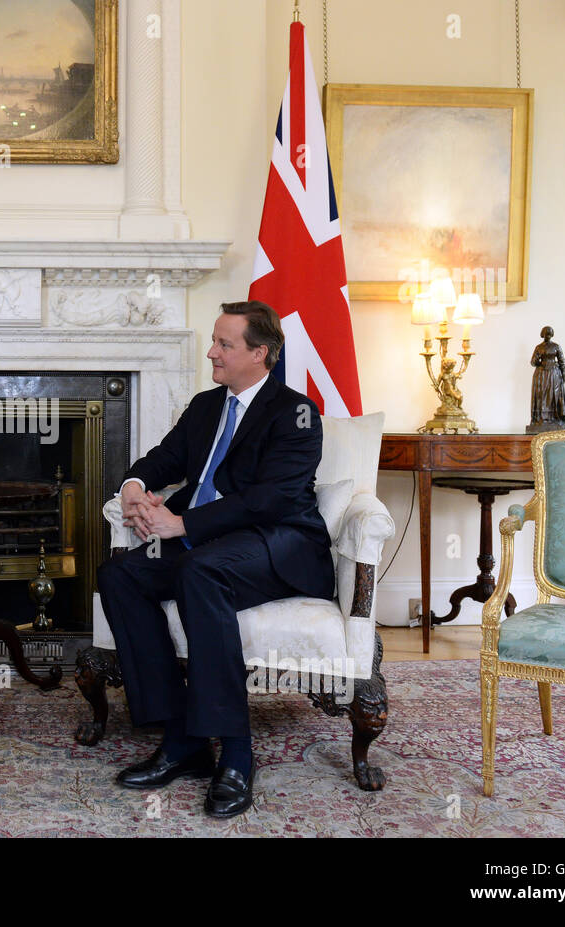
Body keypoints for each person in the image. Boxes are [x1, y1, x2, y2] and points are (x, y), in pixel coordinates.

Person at [96, 300, 335, 818]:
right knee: (120, 574)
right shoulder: (207, 405)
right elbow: (164, 459)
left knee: (199, 572)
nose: (211, 353)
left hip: (273, 543)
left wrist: (181, 524)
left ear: (260, 353)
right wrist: (134, 486)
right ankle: (182, 739)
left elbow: (270, 499)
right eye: (214, 341)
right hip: (206, 543)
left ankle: (237, 753)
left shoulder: (296, 412)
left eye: (224, 344)